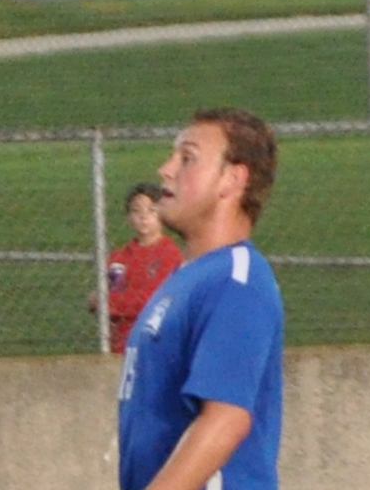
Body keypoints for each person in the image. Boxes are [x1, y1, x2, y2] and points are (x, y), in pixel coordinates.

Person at [116, 108, 283, 490]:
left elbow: (226, 419)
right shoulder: (190, 278)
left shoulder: (236, 280)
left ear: (232, 179)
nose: (166, 169)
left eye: (187, 158)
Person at [95, 182, 185, 355]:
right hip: (122, 343)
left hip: (156, 341)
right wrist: (108, 302)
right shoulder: (120, 258)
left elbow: (154, 300)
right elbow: (114, 294)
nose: (144, 217)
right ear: (129, 217)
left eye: (151, 210)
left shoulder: (170, 254)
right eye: (136, 211)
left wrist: (104, 301)